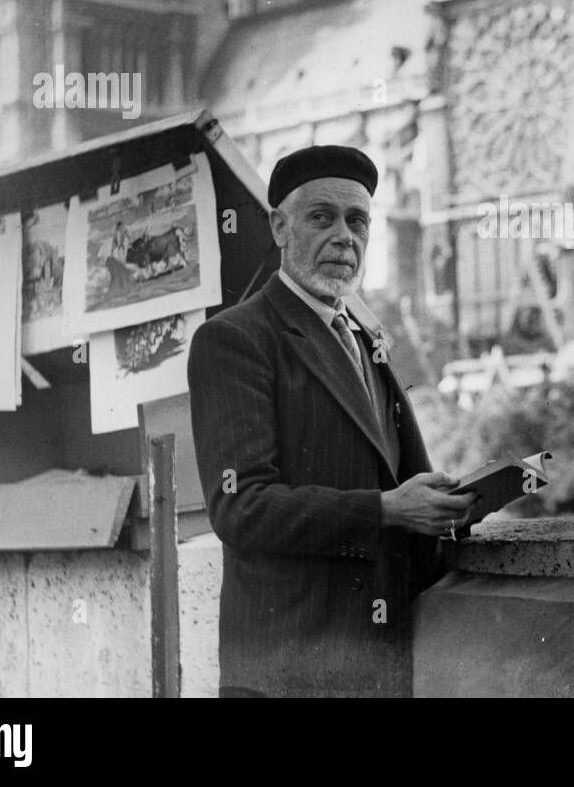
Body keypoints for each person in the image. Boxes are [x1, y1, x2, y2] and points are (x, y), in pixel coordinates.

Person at [188, 145, 476, 697]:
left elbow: (401, 482)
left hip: (377, 667)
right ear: (279, 226)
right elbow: (240, 506)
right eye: (322, 217)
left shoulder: (366, 340)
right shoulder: (235, 339)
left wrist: (449, 506)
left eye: (358, 221)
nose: (345, 237)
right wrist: (388, 510)